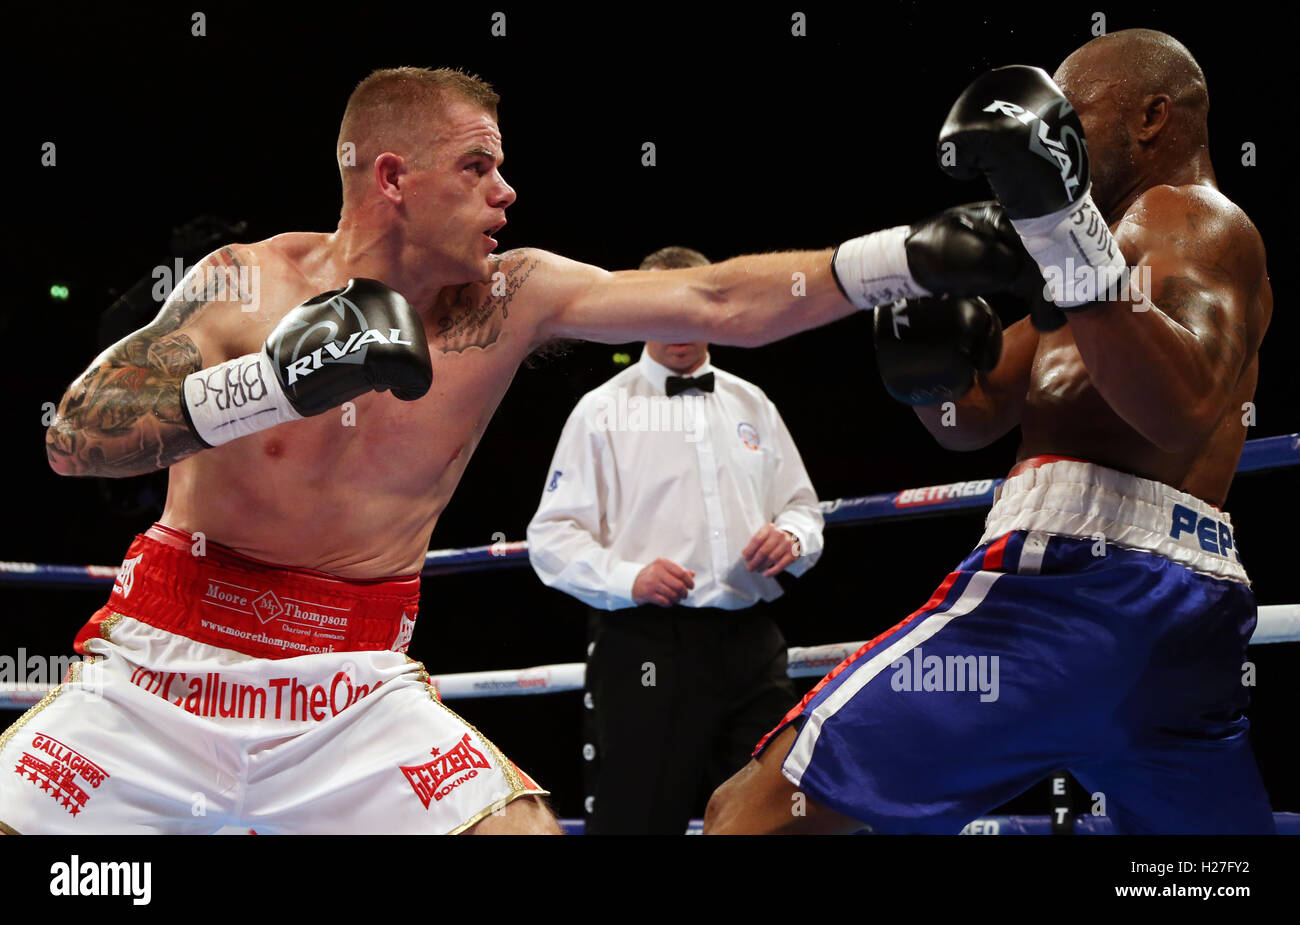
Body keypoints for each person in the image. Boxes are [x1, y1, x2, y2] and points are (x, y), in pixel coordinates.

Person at [6, 66, 1042, 835]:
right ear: (393, 177)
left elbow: (717, 296)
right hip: (164, 671)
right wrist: (274, 382)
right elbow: (74, 436)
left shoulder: (515, 296)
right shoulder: (250, 284)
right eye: (479, 166)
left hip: (350, 689)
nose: (507, 191)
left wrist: (891, 260)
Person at [704, 29, 1275, 835]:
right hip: (1178, 622)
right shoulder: (1090, 274)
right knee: (1204, 875)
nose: (1060, 143)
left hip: (1074, 584)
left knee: (753, 811)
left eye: (1074, 119)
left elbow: (1173, 407)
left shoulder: (1190, 218)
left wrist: (1062, 222)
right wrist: (921, 365)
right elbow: (971, 419)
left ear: (1153, 118)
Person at [527, 246, 824, 834]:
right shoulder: (601, 410)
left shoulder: (751, 403)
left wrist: (791, 536)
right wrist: (626, 577)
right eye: (661, 310)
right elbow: (551, 536)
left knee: (779, 809)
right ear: (638, 313)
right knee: (640, 817)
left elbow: (803, 509)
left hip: (751, 642)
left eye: (688, 309)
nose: (678, 326)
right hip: (646, 643)